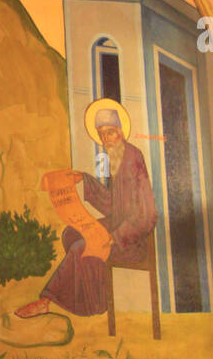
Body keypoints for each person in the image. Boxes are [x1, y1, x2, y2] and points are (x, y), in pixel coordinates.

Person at [15, 107, 157, 319]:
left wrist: (115, 237)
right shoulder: (117, 158)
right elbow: (112, 204)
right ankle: (91, 299)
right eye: (101, 134)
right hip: (118, 226)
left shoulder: (133, 157)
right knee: (70, 235)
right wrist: (85, 179)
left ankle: (46, 301)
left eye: (110, 132)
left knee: (83, 246)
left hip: (132, 240)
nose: (105, 139)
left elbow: (148, 214)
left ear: (120, 131)